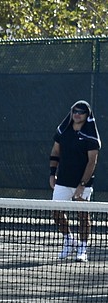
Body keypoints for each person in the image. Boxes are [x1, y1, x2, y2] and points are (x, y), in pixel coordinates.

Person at [49, 100, 100, 263]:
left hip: (82, 184)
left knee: (83, 216)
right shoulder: (63, 131)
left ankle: (83, 248)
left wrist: (82, 184)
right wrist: (52, 174)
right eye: (74, 111)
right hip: (63, 180)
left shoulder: (90, 136)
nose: (77, 114)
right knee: (56, 213)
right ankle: (69, 239)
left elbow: (92, 161)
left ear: (87, 115)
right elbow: (55, 151)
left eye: (81, 112)